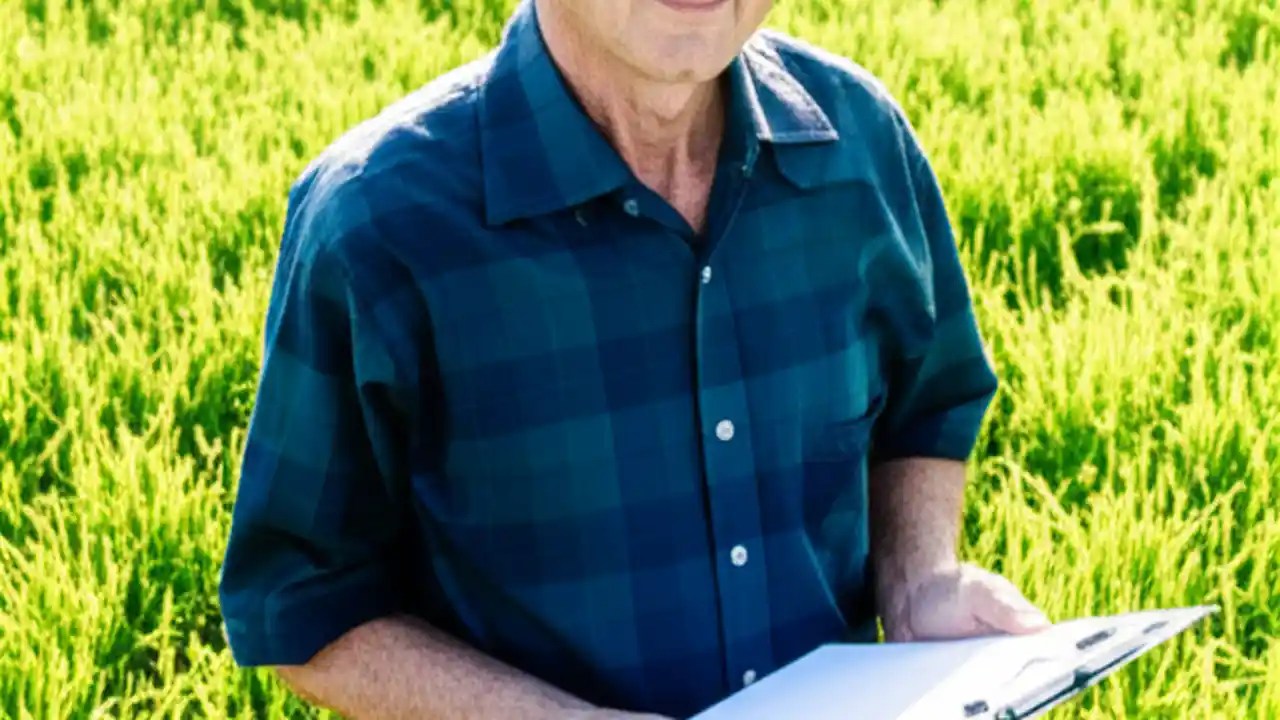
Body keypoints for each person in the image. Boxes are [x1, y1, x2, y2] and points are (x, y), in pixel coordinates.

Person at [217, 0, 1051, 717]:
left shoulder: (861, 145)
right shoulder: (377, 224)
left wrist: (920, 582)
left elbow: (927, 406)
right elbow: (302, 603)